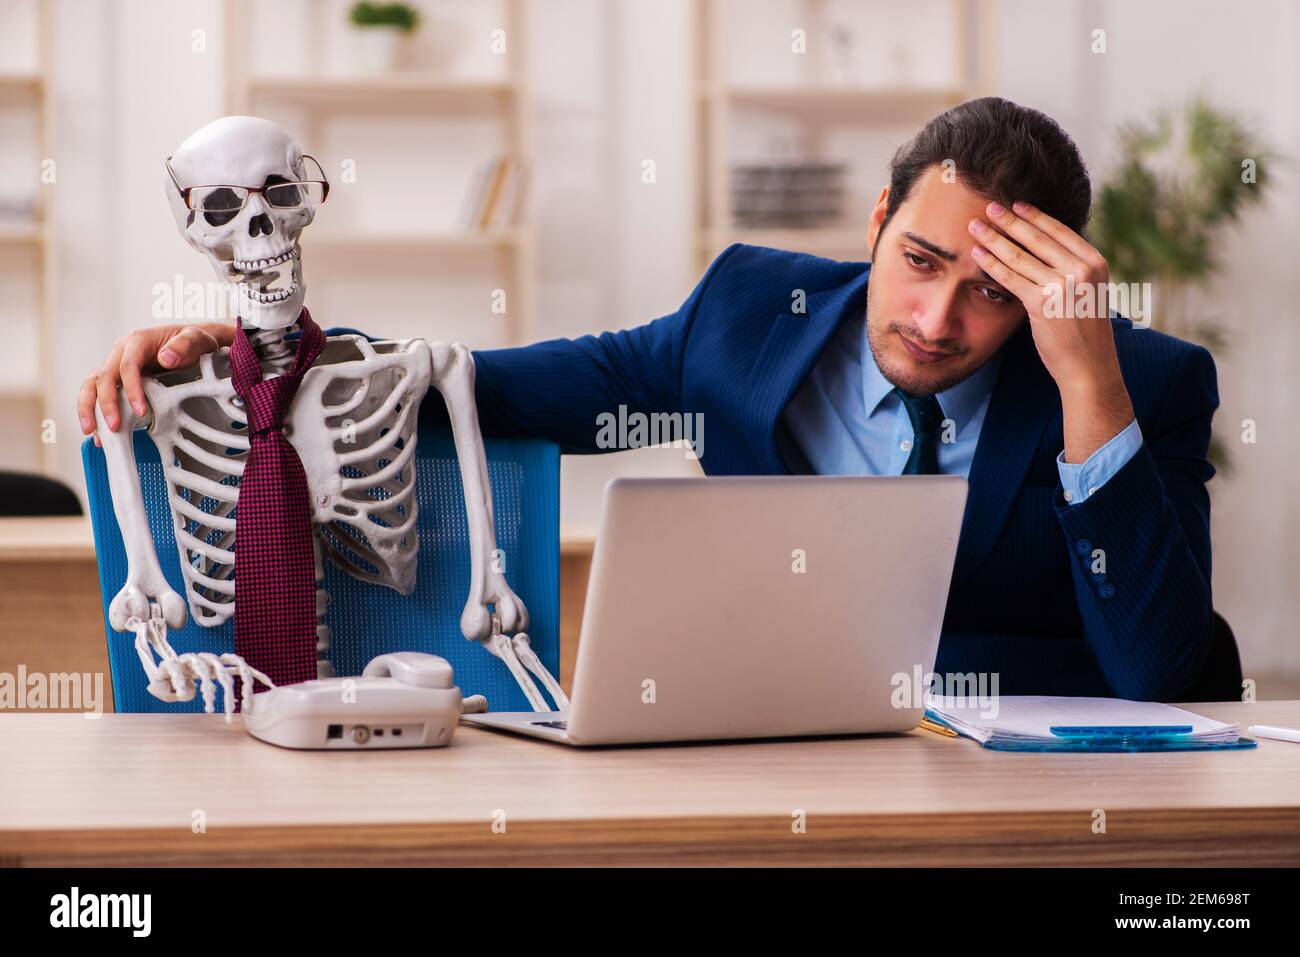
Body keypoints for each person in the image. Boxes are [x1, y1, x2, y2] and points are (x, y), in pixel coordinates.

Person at [80, 97, 1227, 701]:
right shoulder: (745, 313)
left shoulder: (1147, 388)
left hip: (1016, 807)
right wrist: (263, 357)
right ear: (876, 225)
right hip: (765, 760)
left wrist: (1087, 382)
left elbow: (1157, 673)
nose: (935, 324)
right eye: (920, 262)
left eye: (988, 294)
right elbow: (489, 388)